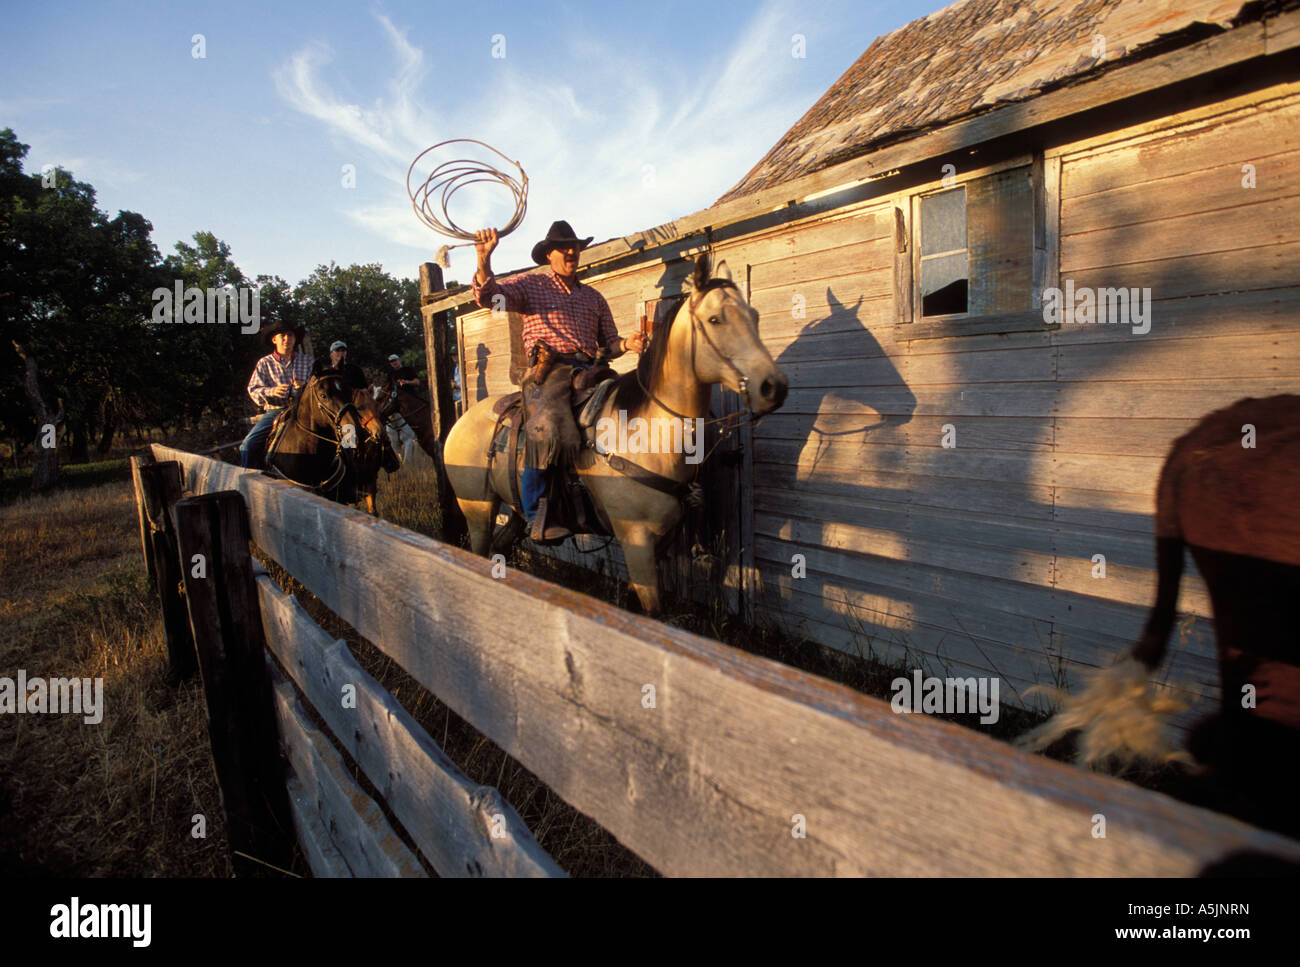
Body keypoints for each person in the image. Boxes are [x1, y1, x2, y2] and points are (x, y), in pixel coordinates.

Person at [472, 220, 647, 536]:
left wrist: (627, 344)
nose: (572, 251)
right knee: (548, 427)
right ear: (548, 255)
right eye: (564, 247)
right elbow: (489, 297)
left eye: (575, 246)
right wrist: (484, 260)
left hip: (589, 369)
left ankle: (602, 500)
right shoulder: (530, 286)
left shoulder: (594, 298)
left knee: (625, 409)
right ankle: (536, 513)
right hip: (548, 371)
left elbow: (608, 344)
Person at [241, 318, 312, 469]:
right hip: (276, 411)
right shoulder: (265, 363)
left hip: (305, 411)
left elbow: (319, 388)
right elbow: (253, 389)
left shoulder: (307, 361)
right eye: (283, 336)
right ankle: (246, 479)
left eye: (291, 335)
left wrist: (304, 387)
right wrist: (272, 391)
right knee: (247, 446)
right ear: (274, 339)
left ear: (295, 339)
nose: (287, 339)